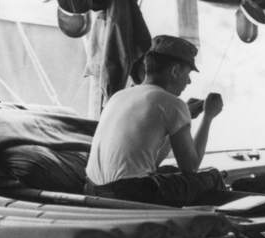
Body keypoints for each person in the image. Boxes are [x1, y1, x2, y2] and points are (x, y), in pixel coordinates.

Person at [84, 34, 226, 206]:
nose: (188, 81)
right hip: (130, 193)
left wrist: (181, 122)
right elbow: (191, 167)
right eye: (188, 74)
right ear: (175, 71)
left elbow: (154, 162)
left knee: (169, 171)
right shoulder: (172, 104)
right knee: (213, 176)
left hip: (92, 190)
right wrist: (208, 117)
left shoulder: (118, 96)